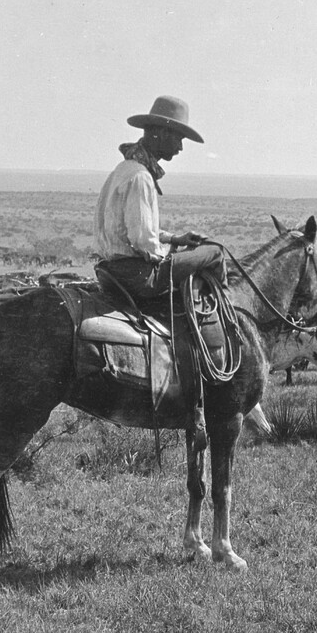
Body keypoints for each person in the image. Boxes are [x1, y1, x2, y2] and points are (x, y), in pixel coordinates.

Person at [94, 95, 224, 449]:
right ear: (159, 134)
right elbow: (143, 241)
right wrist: (170, 251)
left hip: (113, 271)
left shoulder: (124, 171)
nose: (180, 148)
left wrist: (175, 238)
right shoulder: (140, 179)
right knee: (214, 252)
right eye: (177, 138)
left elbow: (137, 231)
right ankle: (203, 382)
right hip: (138, 275)